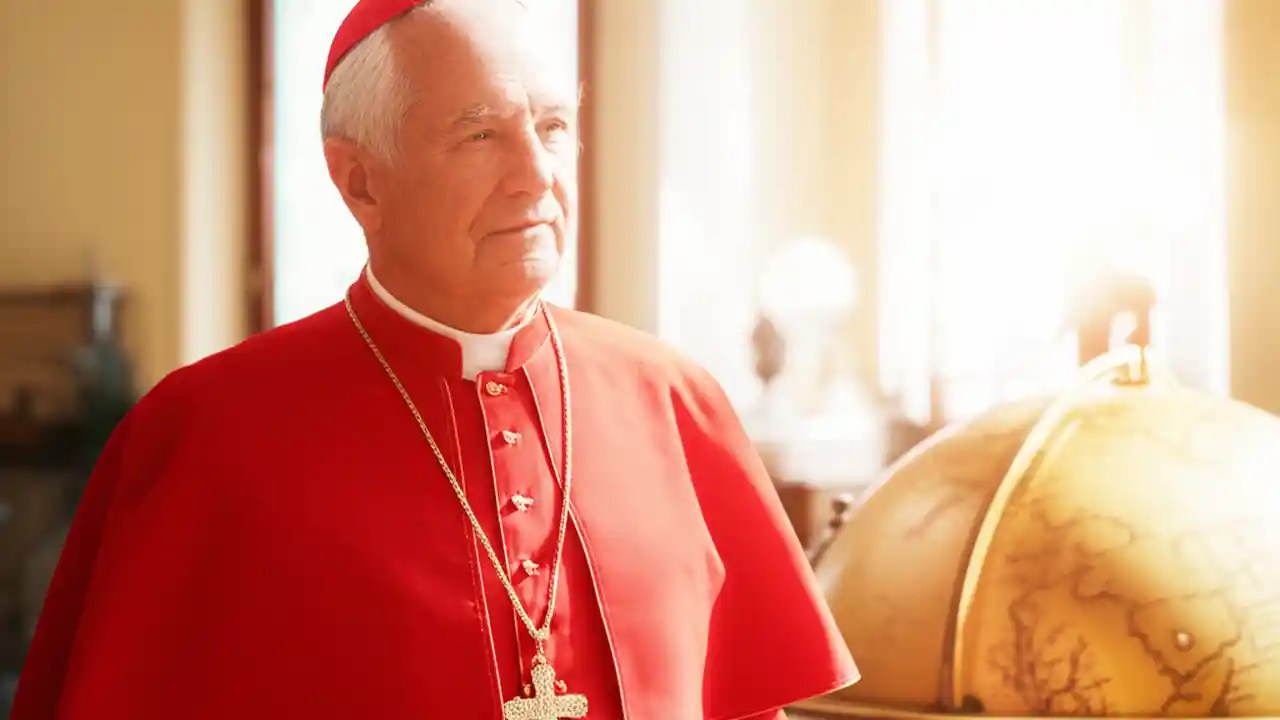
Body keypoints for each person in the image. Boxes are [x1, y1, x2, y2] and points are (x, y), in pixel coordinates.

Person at [11, 0, 859, 717]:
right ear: (360, 183)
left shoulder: (676, 400)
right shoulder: (204, 433)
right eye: (480, 134)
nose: (536, 175)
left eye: (554, 127)